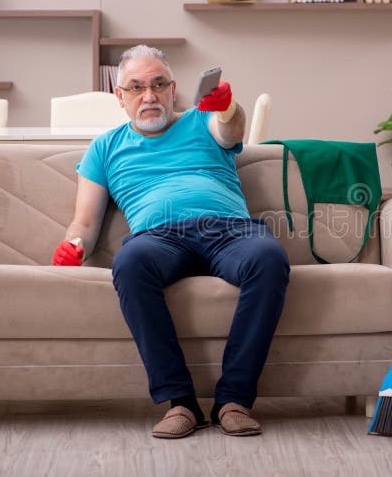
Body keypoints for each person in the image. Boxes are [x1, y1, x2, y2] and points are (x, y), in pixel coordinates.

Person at [52, 45, 290, 439]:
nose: (149, 96)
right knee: (129, 264)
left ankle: (234, 400)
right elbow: (85, 220)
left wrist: (227, 106)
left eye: (159, 85)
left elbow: (231, 128)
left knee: (268, 257)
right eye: (137, 87)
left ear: (173, 88)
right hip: (158, 239)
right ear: (120, 96)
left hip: (229, 230)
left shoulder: (201, 120)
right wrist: (74, 245)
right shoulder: (104, 148)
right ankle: (180, 403)